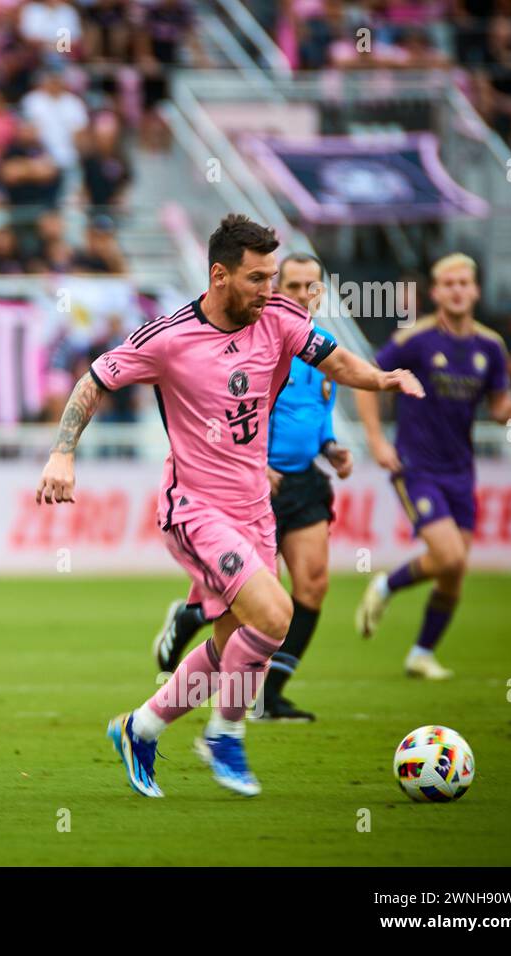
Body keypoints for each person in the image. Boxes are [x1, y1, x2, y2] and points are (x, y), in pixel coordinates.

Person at [35, 214, 423, 798]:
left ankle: (140, 728)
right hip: (194, 508)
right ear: (219, 276)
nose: (270, 291)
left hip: (255, 508)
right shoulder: (167, 338)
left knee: (230, 648)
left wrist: (381, 379)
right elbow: (93, 381)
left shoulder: (281, 320)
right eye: (258, 278)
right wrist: (62, 454)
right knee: (275, 615)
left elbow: (335, 360)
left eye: (274, 277)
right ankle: (224, 734)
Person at [152, 253, 353, 722]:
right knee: (250, 607)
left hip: (302, 481)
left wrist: (331, 446)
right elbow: (230, 414)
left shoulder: (322, 351)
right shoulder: (264, 340)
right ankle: (190, 624)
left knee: (311, 585)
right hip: (245, 486)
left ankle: (270, 693)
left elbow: (315, 416)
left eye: (312, 286)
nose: (303, 294)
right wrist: (255, 463)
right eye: (293, 285)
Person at [354, 253, 511, 679]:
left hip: (461, 470)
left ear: (476, 290)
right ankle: (385, 585)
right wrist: (376, 439)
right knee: (447, 555)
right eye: (448, 283)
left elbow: (498, 404)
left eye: (464, 282)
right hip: (416, 465)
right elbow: (366, 377)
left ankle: (420, 653)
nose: (457, 289)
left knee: (454, 572)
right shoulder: (417, 339)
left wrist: (510, 414)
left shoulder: (490, 346)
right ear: (435, 292)